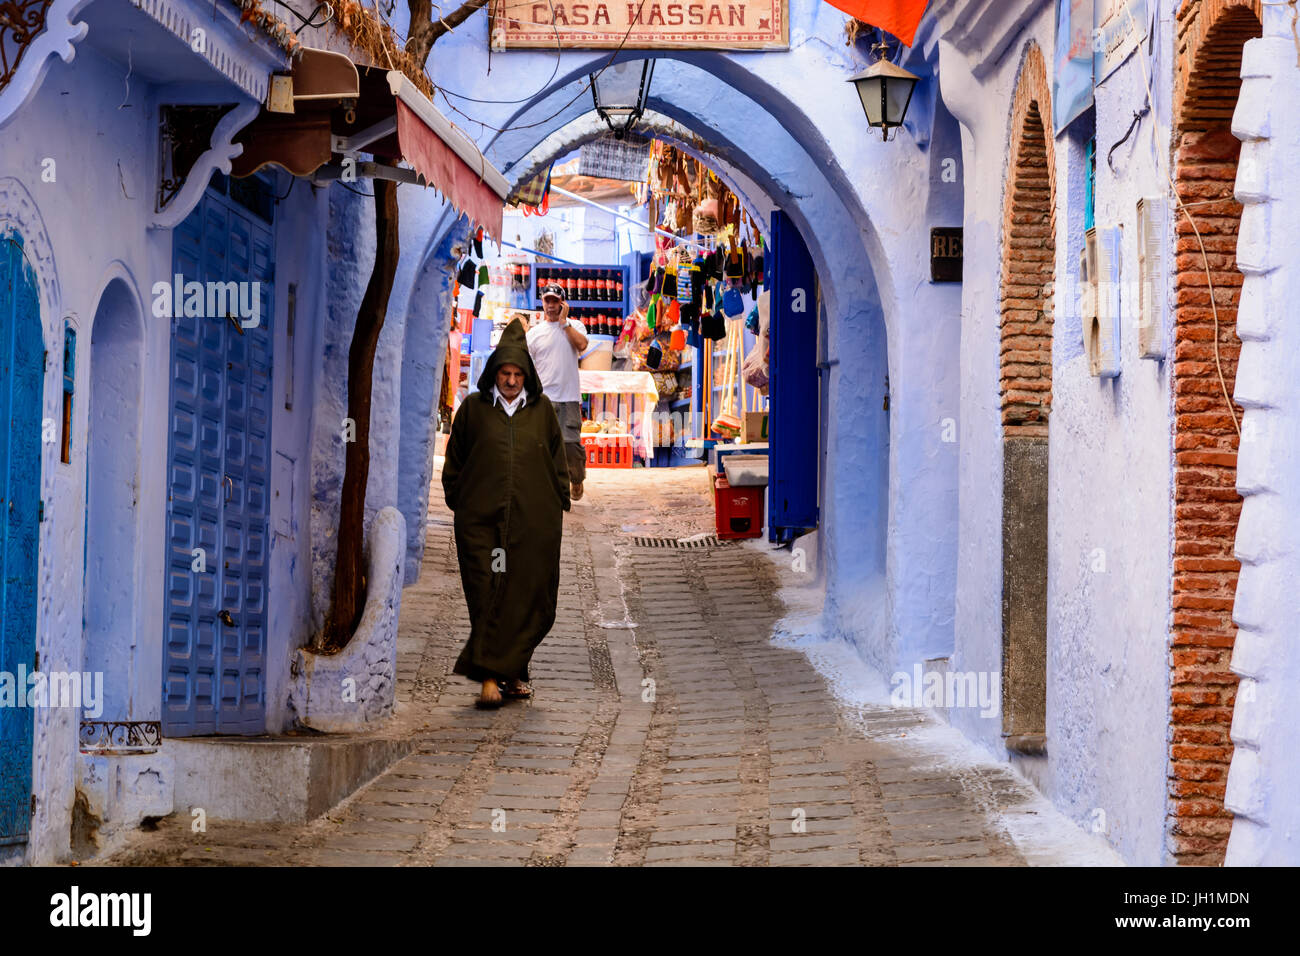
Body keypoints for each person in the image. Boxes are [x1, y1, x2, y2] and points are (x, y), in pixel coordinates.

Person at [441, 318, 571, 709]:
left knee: (526, 595)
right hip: (480, 523)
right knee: (485, 592)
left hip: (532, 524)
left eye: (517, 374)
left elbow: (556, 463)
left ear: (526, 375)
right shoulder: (473, 411)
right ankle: (493, 676)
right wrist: (461, 502)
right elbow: (455, 463)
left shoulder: (542, 411)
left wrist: (559, 500)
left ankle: (513, 670)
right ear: (494, 373)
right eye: (505, 373)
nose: (511, 380)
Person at [526, 282, 589, 501]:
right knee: (541, 445)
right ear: (542, 303)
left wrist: (564, 323)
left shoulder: (575, 326)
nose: (551, 305)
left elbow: (582, 346)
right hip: (543, 399)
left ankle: (577, 479)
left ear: (563, 303)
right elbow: (526, 366)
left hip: (569, 398)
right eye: (547, 300)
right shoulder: (534, 334)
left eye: (555, 301)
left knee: (570, 446)